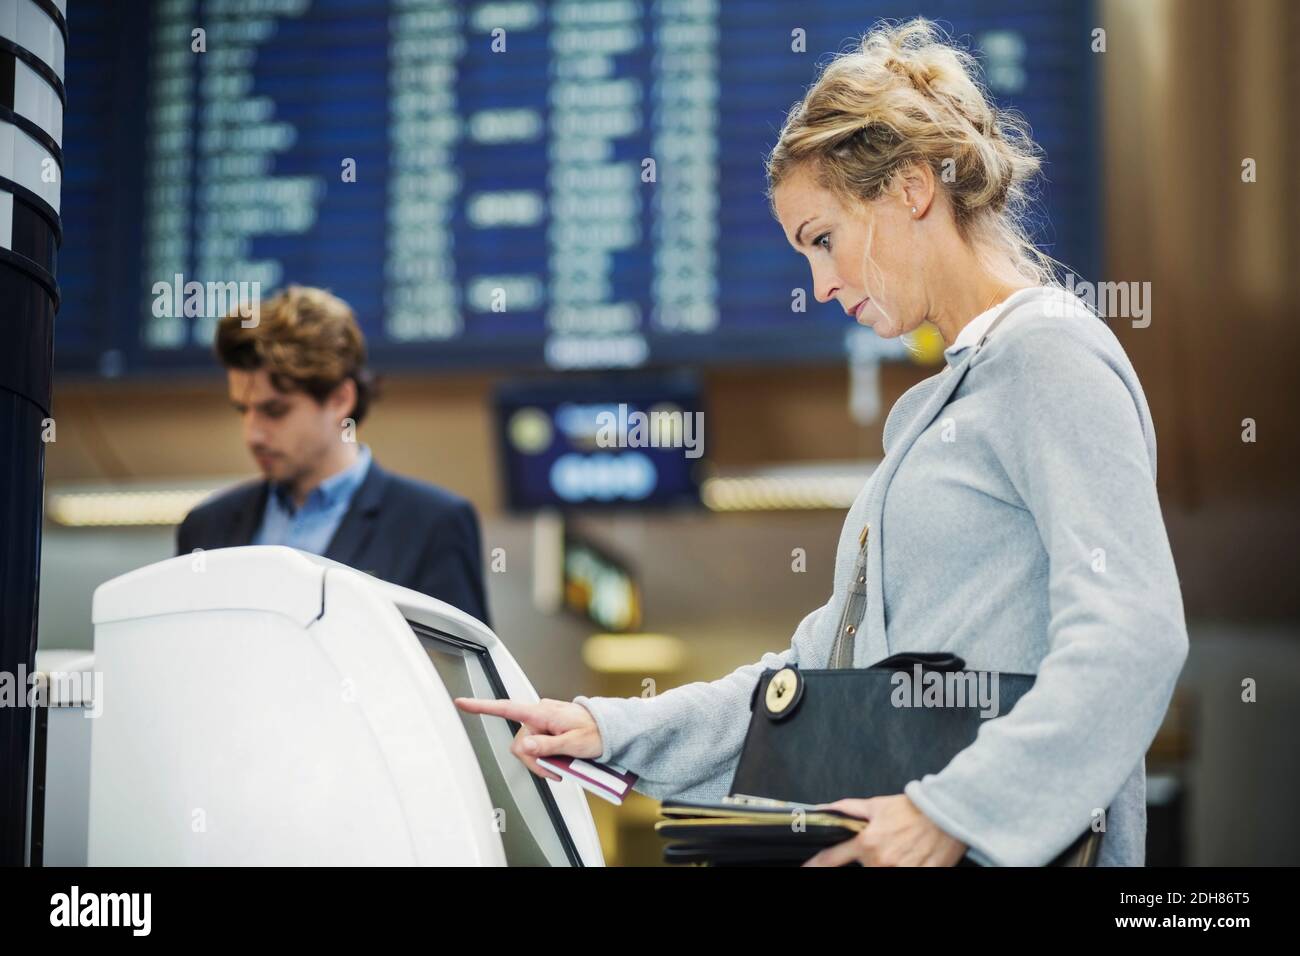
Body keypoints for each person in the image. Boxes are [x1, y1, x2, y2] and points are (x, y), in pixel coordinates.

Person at [455, 18, 1187, 866]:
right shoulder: (936, 407)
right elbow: (808, 684)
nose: (821, 284)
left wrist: (956, 812)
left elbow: (1135, 635)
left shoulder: (1047, 355)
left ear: (913, 188)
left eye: (823, 240)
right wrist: (605, 727)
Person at [176, 285, 491, 627]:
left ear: (341, 399)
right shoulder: (205, 527)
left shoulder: (433, 525)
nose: (252, 435)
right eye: (243, 411)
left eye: (275, 411)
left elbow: (454, 678)